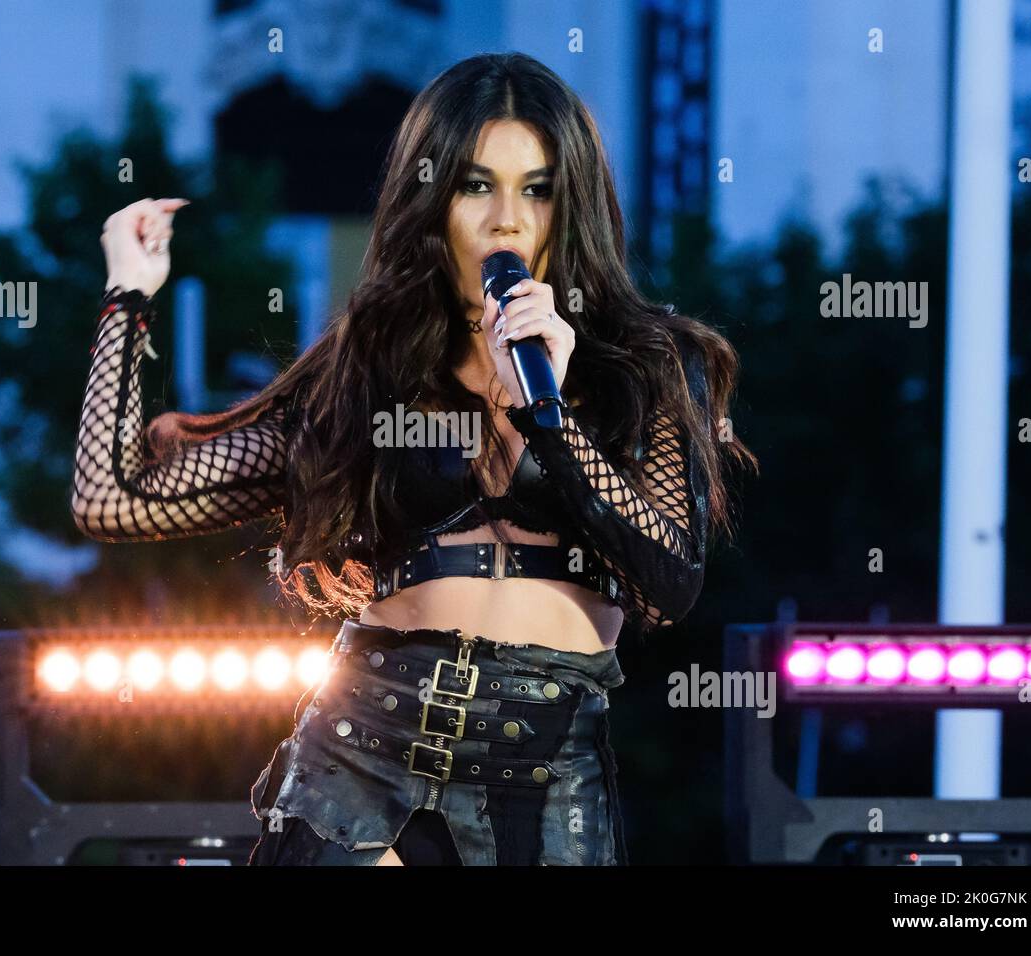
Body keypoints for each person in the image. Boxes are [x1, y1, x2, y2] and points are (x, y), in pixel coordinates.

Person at [71, 52, 756, 865]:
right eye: (476, 186)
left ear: (572, 205)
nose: (506, 220)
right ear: (431, 202)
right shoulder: (367, 373)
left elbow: (672, 578)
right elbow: (112, 499)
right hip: (363, 758)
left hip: (543, 780)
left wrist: (550, 415)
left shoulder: (648, 365)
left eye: (535, 189)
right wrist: (129, 297)